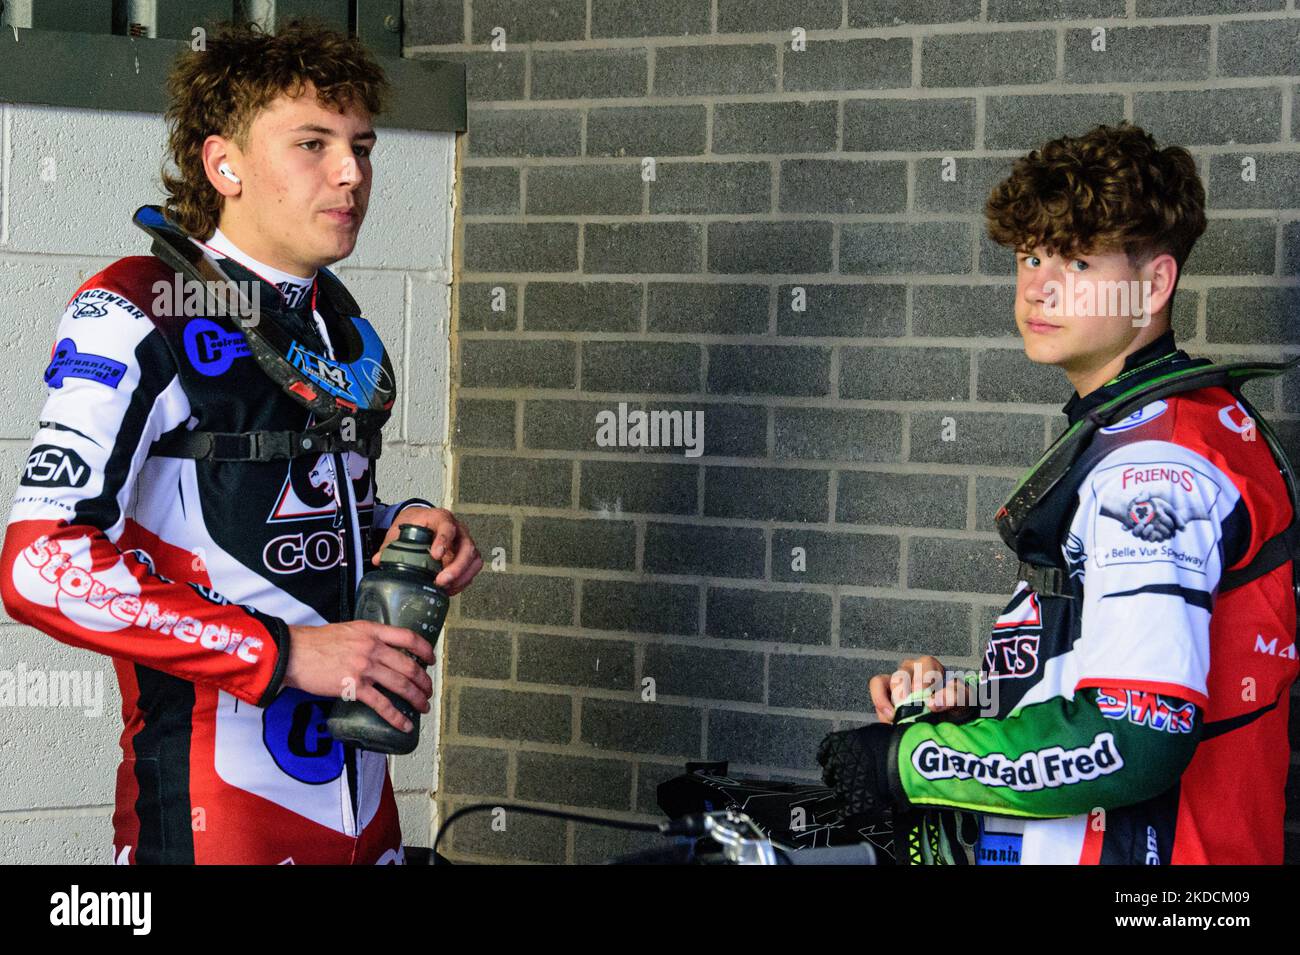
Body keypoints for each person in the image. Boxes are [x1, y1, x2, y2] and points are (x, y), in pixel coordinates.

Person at [0, 20, 482, 864]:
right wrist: (284, 651)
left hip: (366, 811)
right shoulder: (135, 305)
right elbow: (41, 562)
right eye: (313, 143)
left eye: (362, 147)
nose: (352, 174)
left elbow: (278, 518)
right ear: (224, 164)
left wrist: (403, 526)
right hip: (213, 816)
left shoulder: (336, 325)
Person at [817, 122, 1299, 864]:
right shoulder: (1176, 424)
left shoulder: (1154, 471)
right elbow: (1108, 665)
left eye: (1075, 261)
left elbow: (1134, 737)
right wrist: (970, 703)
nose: (1038, 286)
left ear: (1154, 284)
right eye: (1029, 256)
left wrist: (907, 762)